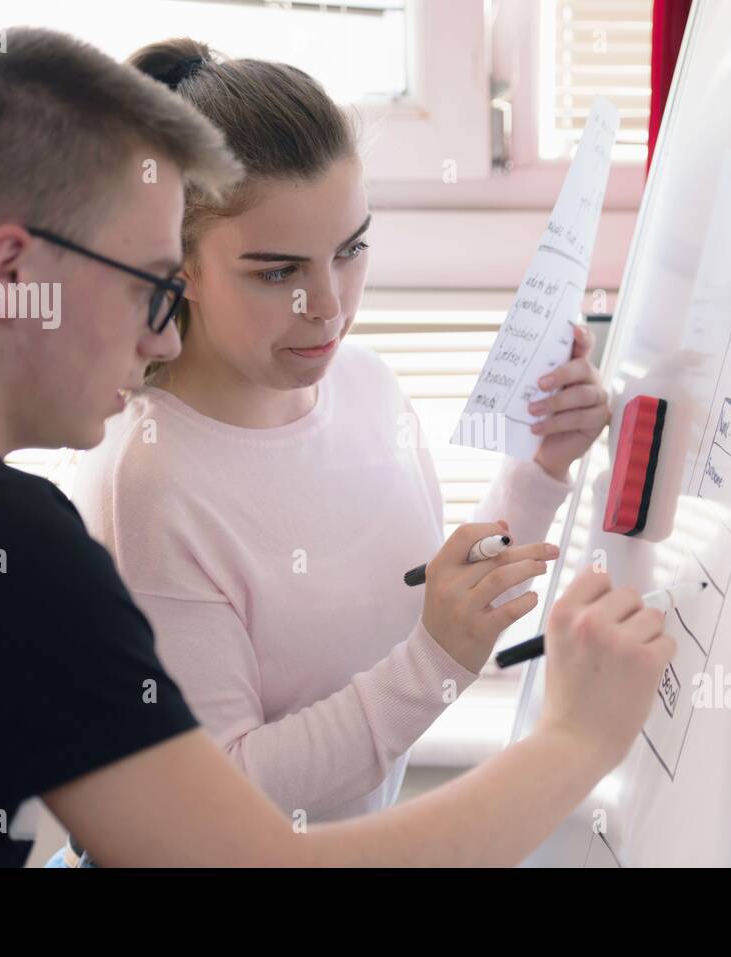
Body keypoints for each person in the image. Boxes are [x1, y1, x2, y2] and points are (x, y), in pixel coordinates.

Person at [0, 26, 673, 867]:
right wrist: (575, 740)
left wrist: (539, 474)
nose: (163, 339)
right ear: (9, 274)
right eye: (150, 287)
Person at [65, 38, 613, 830]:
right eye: (277, 271)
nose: (327, 306)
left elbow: (433, 597)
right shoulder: (147, 483)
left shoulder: (363, 382)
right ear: (176, 265)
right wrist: (435, 661)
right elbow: (218, 799)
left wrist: (544, 467)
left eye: (350, 251)